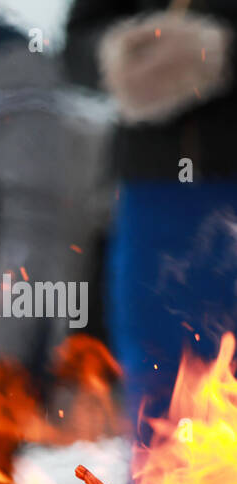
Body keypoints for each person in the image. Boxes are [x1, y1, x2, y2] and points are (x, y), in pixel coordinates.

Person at [66, 0, 237, 443]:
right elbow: (74, 50)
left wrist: (220, 53)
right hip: (149, 196)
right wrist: (120, 56)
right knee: (156, 379)